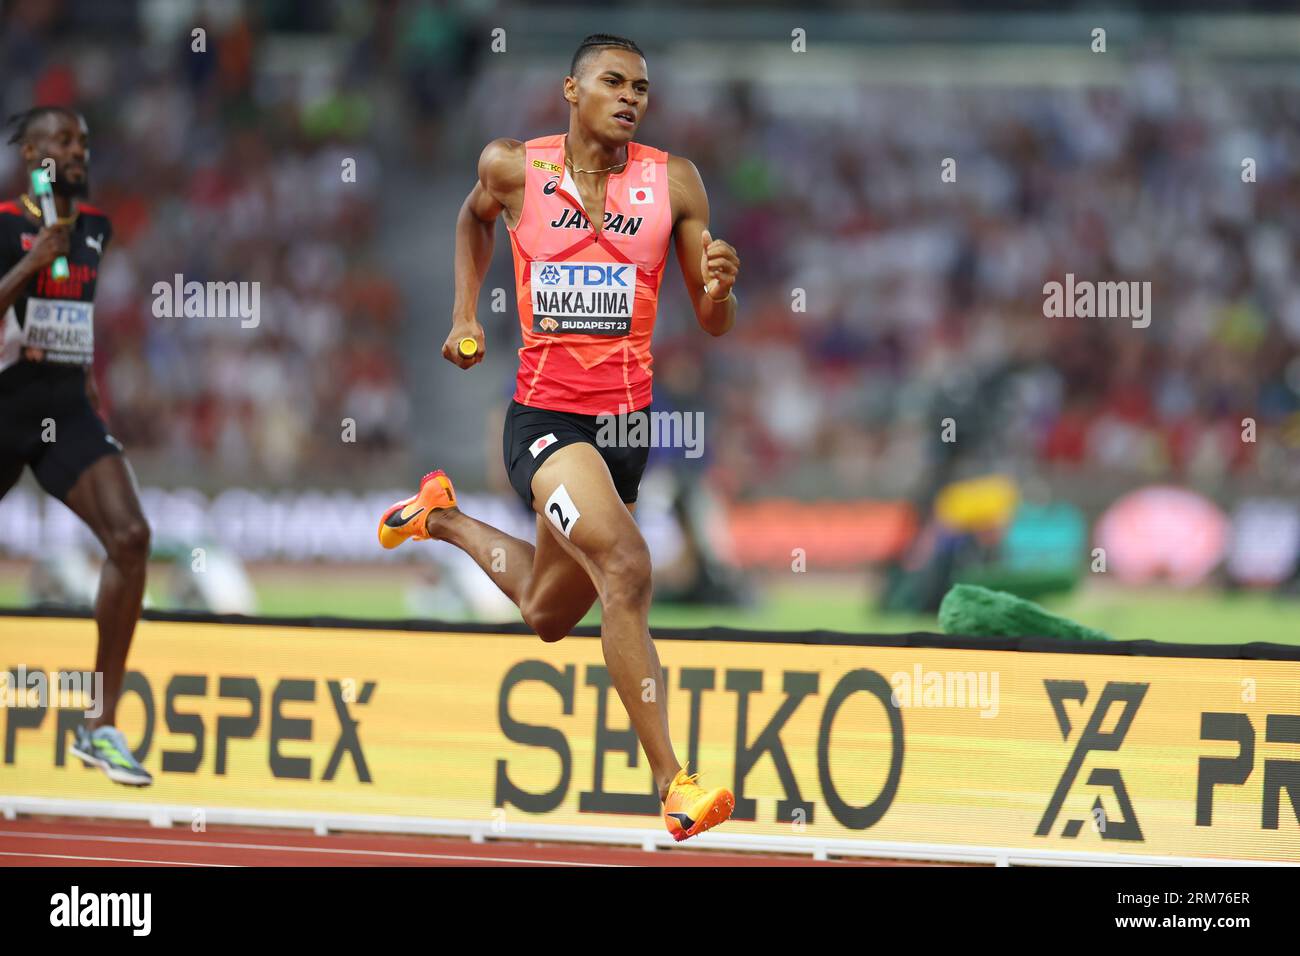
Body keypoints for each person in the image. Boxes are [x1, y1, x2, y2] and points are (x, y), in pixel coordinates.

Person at [379, 34, 741, 841]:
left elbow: (713, 322)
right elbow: (473, 223)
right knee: (627, 564)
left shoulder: (674, 181)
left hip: (624, 430)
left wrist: (720, 291)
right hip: (545, 423)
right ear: (571, 92)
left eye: (642, 87)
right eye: (613, 81)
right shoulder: (514, 167)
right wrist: (466, 315)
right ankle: (673, 781)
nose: (631, 97)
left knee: (547, 612)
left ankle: (438, 516)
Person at [0, 107, 152, 786]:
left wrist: (87, 382)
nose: (77, 150)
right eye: (62, 141)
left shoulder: (94, 228)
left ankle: (100, 725)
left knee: (131, 537)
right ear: (31, 151)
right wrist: (31, 260)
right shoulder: (5, 223)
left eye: (84, 141)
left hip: (63, 406)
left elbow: (72, 314)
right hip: (4, 406)